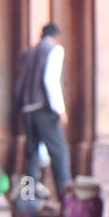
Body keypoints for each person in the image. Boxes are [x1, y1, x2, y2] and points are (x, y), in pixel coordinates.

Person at [14, 22, 72, 199]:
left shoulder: (30, 52)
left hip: (28, 108)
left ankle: (27, 198)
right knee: (59, 152)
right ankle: (66, 197)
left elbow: (20, 82)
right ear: (55, 35)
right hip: (44, 109)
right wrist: (60, 109)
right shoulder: (54, 49)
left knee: (31, 155)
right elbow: (50, 80)